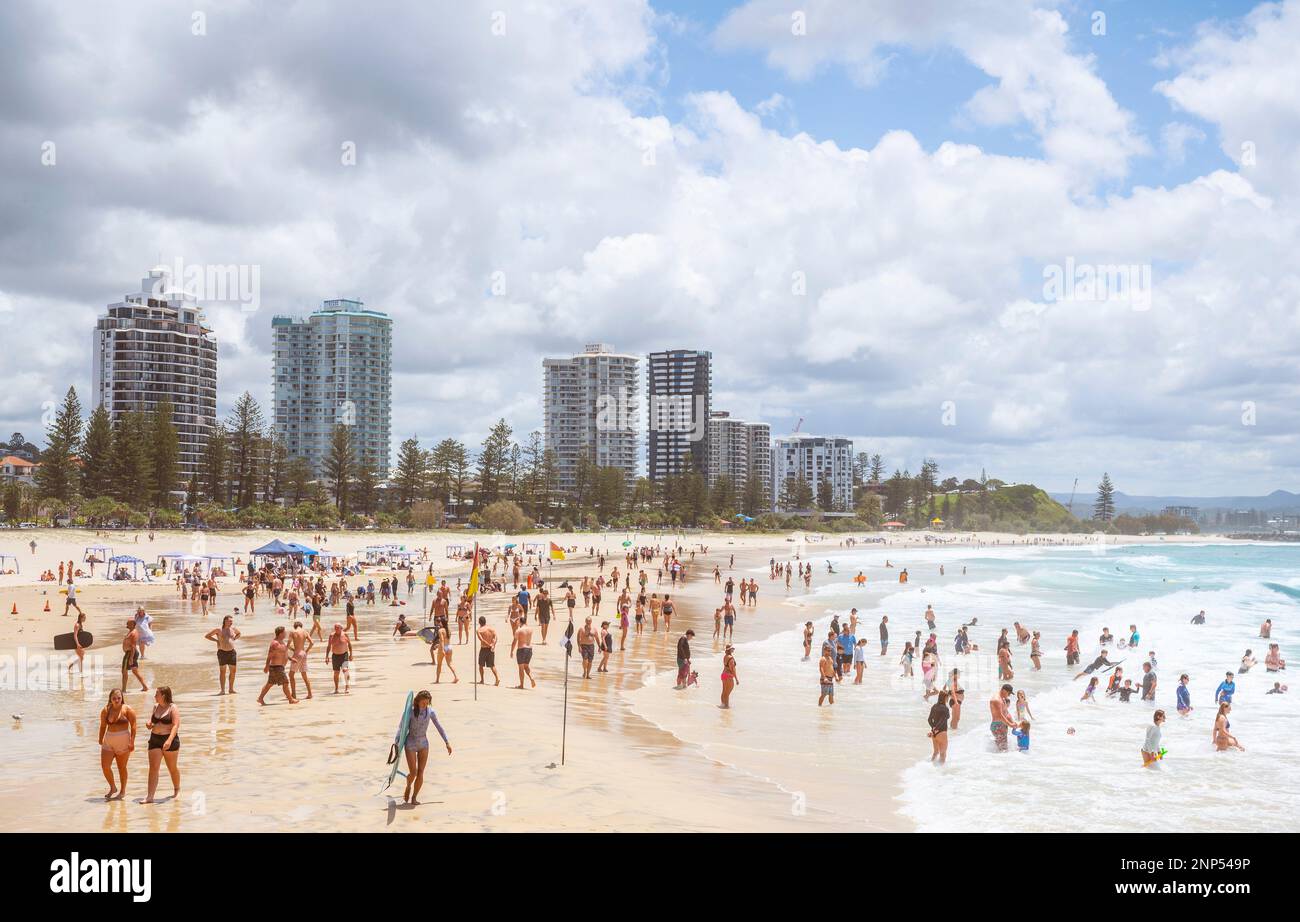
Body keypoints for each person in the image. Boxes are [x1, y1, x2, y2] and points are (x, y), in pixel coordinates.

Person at [403, 690, 452, 805]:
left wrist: (446, 742)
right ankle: (408, 784)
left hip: (424, 744)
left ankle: (414, 797)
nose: (425, 706)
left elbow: (439, 726)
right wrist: (396, 743)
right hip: (410, 743)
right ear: (418, 701)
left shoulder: (430, 712)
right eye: (423, 703)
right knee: (413, 772)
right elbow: (401, 727)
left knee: (420, 772)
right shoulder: (409, 712)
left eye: (427, 703)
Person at [141, 686, 180, 804]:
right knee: (153, 768)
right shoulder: (155, 707)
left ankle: (177, 790)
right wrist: (149, 724)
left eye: (156, 694)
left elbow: (175, 725)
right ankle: (150, 796)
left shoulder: (172, 708)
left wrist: (169, 740)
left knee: (172, 768)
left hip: (169, 740)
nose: (154, 696)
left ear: (163, 695)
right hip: (155, 739)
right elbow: (152, 722)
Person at [97, 688, 136, 800]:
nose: (117, 700)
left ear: (122, 697)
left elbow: (133, 726)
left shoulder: (128, 709)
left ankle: (122, 791)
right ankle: (113, 787)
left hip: (123, 741)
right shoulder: (106, 710)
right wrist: (100, 739)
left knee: (121, 767)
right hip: (109, 740)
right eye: (114, 698)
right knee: (105, 766)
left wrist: (132, 742)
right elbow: (103, 726)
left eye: (119, 697)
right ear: (110, 699)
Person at [258, 626, 298, 705]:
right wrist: (266, 666)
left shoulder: (282, 642)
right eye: (284, 632)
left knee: (269, 684)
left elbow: (283, 653)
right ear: (280, 634)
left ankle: (260, 698)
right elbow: (270, 655)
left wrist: (290, 659)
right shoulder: (275, 643)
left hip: (279, 667)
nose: (285, 633)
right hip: (276, 667)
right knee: (285, 682)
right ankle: (290, 699)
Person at [204, 615, 241, 694]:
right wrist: (216, 641)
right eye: (230, 621)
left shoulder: (233, 629)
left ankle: (231, 689)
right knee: (222, 672)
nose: (231, 622)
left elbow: (239, 633)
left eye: (232, 621)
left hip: (232, 652)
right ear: (225, 621)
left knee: (233, 671)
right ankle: (222, 690)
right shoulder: (219, 630)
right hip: (222, 653)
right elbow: (207, 636)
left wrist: (234, 638)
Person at [287, 619, 314, 700]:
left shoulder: (293, 632)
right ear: (301, 626)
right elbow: (312, 643)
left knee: (291, 675)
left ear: (295, 626)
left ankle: (294, 694)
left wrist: (293, 650)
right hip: (303, 653)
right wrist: (306, 651)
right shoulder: (305, 632)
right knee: (304, 675)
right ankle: (310, 694)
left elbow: (287, 645)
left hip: (297, 654)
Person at [121, 619, 148, 692]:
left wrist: (131, 658)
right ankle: (145, 687)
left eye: (128, 623)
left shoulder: (134, 633)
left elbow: (133, 645)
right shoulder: (131, 632)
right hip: (130, 653)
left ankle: (123, 689)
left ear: (133, 624)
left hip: (130, 653)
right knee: (135, 671)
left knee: (124, 671)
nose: (127, 624)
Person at [326, 623, 353, 693]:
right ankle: (336, 689)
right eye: (335, 628)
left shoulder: (345, 635)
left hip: (344, 655)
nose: (336, 629)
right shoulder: (331, 636)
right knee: (336, 673)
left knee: (345, 670)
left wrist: (351, 655)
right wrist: (326, 656)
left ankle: (347, 687)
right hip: (335, 656)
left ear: (341, 628)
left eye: (338, 627)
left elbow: (349, 645)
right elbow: (329, 646)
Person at [988, 684, 1016, 751]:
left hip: (1002, 725)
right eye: (1008, 693)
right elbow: (999, 716)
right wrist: (1010, 724)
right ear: (1003, 690)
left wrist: (1013, 722)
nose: (1009, 695)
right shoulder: (996, 700)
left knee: (1003, 749)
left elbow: (1006, 712)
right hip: (998, 726)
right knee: (1003, 750)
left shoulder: (1003, 699)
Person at [512, 614, 536, 689]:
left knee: (521, 668)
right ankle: (531, 677)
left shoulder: (519, 630)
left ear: (520, 622)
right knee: (526, 666)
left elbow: (514, 642)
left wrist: (511, 651)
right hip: (529, 649)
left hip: (521, 649)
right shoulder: (530, 629)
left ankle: (521, 685)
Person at [927, 690, 950, 764]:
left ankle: (930, 768)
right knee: (943, 754)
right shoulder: (945, 709)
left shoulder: (934, 706)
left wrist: (933, 729)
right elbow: (942, 721)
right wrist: (936, 729)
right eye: (947, 697)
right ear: (945, 697)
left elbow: (929, 720)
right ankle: (940, 772)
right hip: (942, 733)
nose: (948, 699)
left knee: (935, 752)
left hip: (934, 734)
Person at [476, 616, 500, 686]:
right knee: (492, 665)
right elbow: (495, 637)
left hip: (484, 649)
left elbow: (482, 640)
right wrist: (493, 645)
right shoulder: (491, 629)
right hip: (491, 649)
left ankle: (482, 680)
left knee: (481, 665)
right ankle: (497, 678)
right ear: (485, 621)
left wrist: (489, 645)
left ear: (479, 622)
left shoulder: (479, 630)